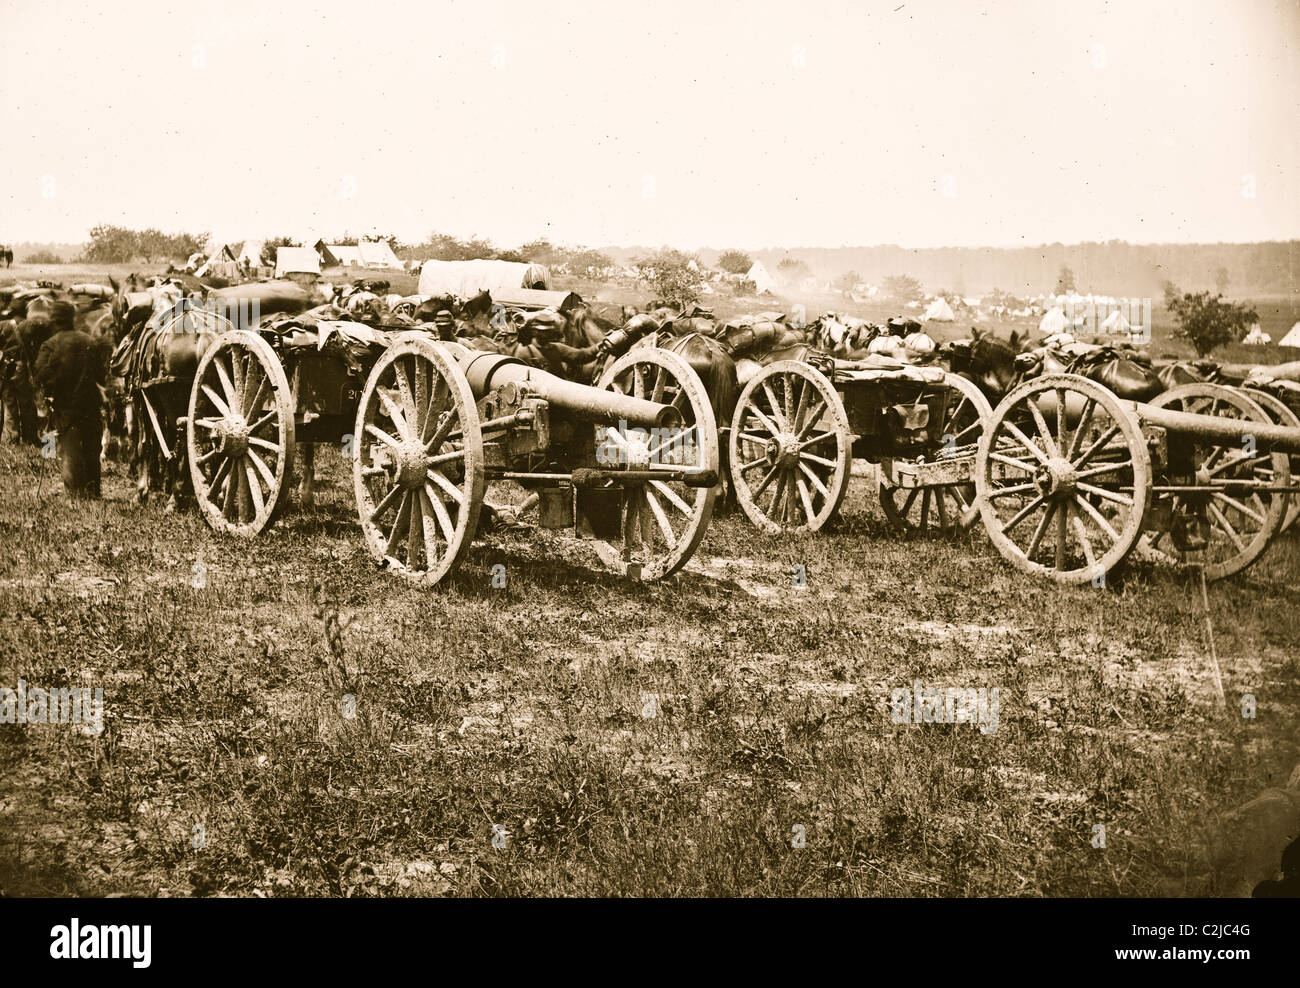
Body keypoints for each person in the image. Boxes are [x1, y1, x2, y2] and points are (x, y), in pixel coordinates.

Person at [33, 300, 109, 498]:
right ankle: (93, 490)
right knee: (92, 448)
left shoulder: (49, 345)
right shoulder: (89, 342)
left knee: (70, 450)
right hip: (91, 405)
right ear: (72, 318)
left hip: (65, 406)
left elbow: (39, 376)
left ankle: (75, 494)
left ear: (54, 320)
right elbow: (101, 376)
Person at [0, 316, 48, 444]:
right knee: (26, 402)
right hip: (19, 366)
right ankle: (29, 437)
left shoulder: (4, 326)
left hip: (6, 366)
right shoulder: (25, 326)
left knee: (9, 402)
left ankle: (12, 438)